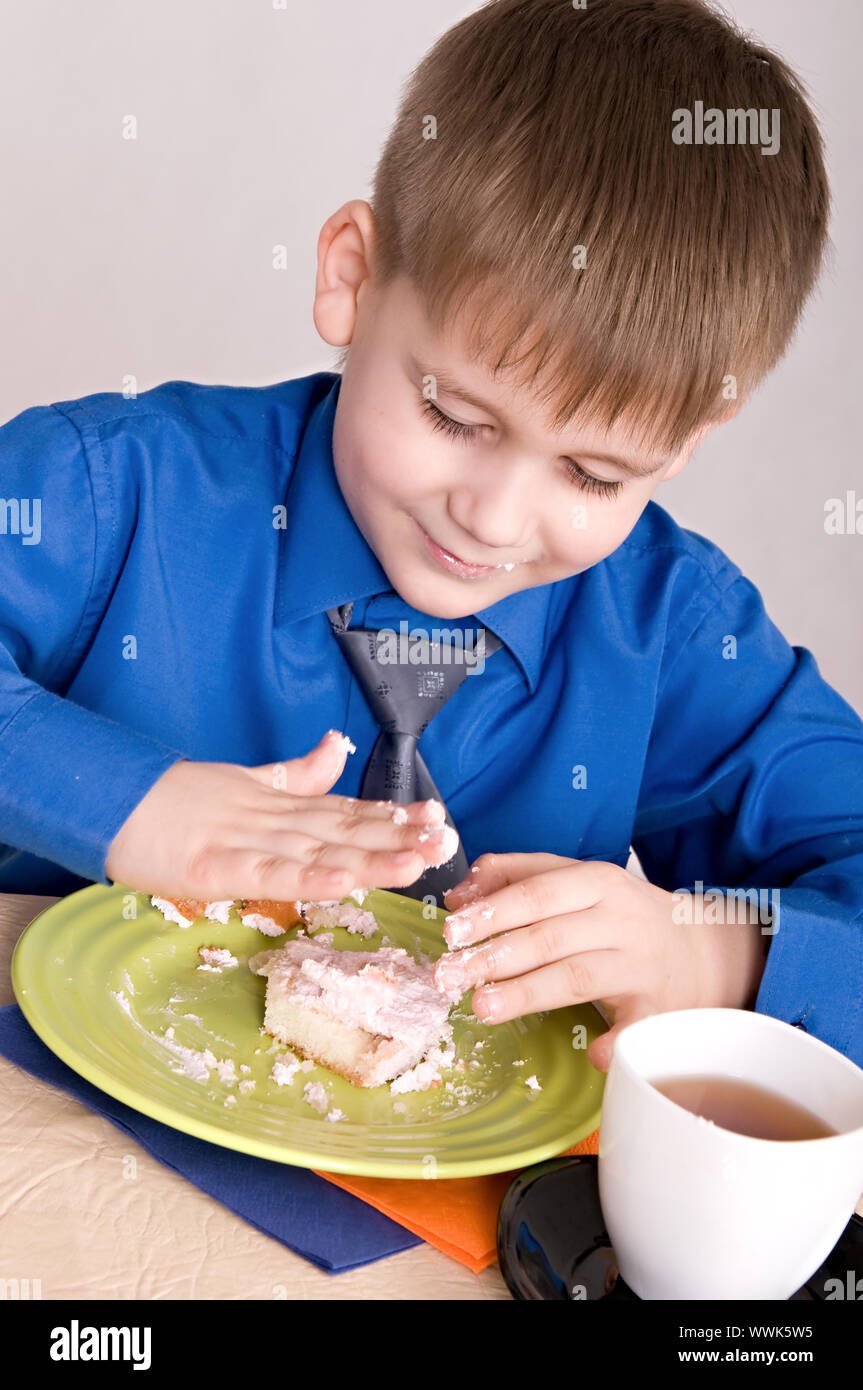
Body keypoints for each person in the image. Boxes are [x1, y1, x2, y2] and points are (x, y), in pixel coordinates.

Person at [1, 0, 860, 1071]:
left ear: (686, 440)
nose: (493, 518)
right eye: (454, 416)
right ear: (351, 277)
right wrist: (122, 800)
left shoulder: (671, 633)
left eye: (593, 473)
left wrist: (719, 954)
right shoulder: (115, 487)